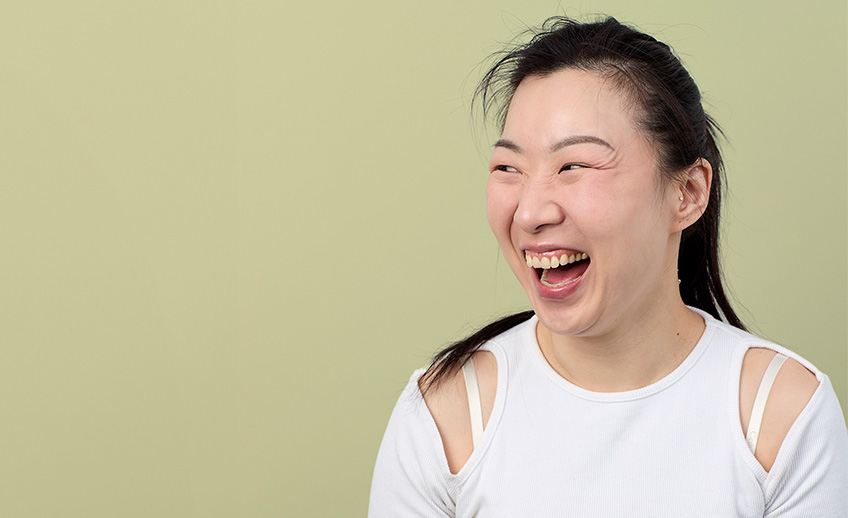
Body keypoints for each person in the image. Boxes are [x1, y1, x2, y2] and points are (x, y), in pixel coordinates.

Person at [368, 16, 848, 517]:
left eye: (573, 165)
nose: (530, 213)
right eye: (509, 168)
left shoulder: (782, 414)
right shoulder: (443, 419)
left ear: (687, 192)